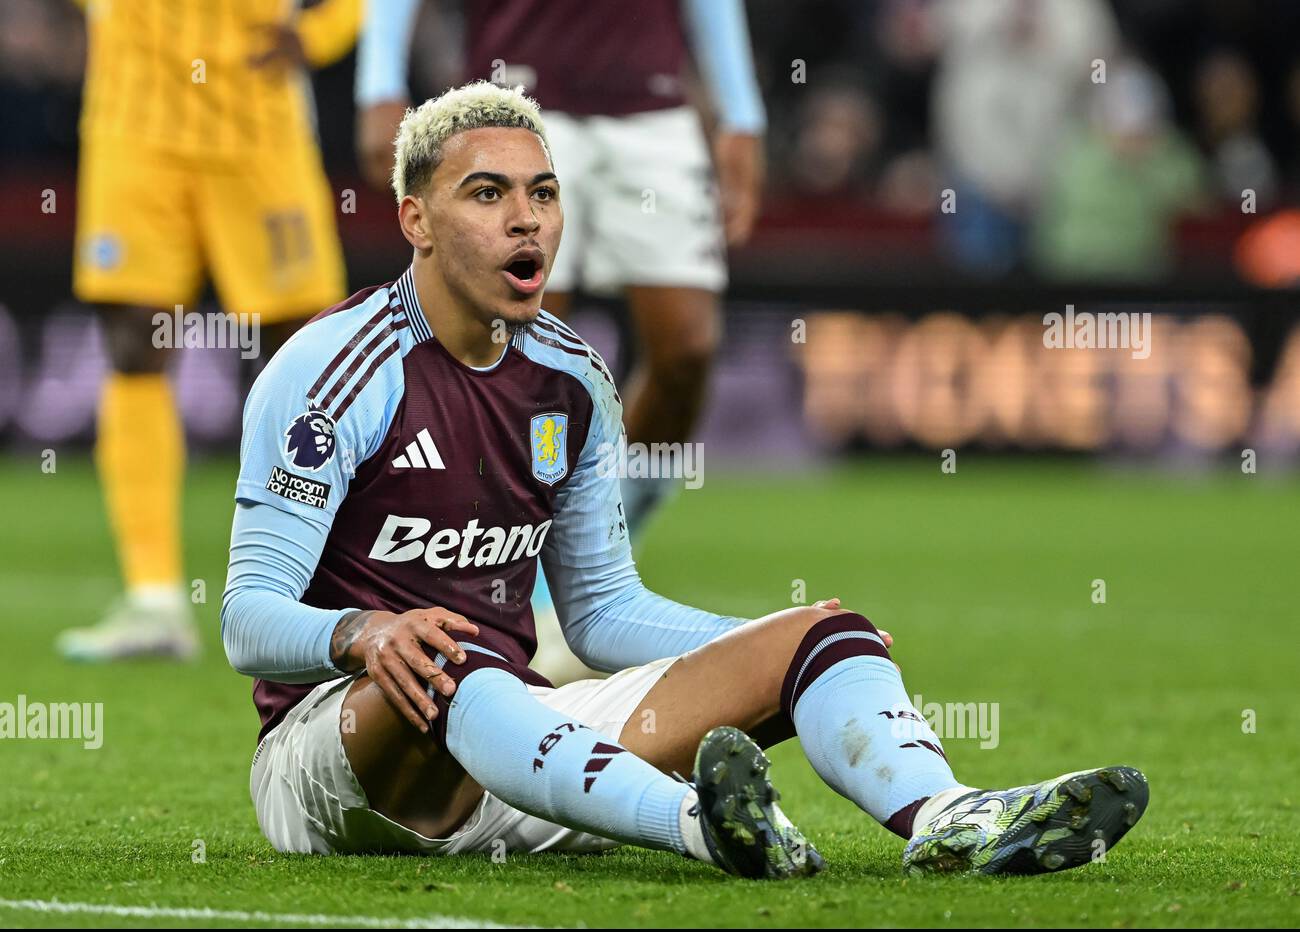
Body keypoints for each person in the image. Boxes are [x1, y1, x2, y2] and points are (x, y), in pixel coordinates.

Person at [222, 83, 1149, 878]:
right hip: (336, 762)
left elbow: (599, 613)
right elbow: (246, 620)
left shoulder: (574, 378)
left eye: (543, 194)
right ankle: (704, 826)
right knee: (452, 658)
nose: (525, 218)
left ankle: (953, 822)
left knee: (822, 635)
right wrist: (366, 631)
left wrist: (752, 643)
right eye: (487, 193)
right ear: (415, 219)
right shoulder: (331, 374)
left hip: (515, 746)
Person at [354, 0, 768, 680]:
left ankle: (595, 573)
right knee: (520, 352)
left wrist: (741, 113)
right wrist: (378, 84)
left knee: (686, 350)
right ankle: (524, 596)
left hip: (654, 107)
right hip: (518, 103)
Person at [59, 0, 358, 661]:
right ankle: (155, 597)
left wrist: (323, 31)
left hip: (256, 123)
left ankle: (329, 578)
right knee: (136, 342)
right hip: (133, 126)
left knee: (309, 354)